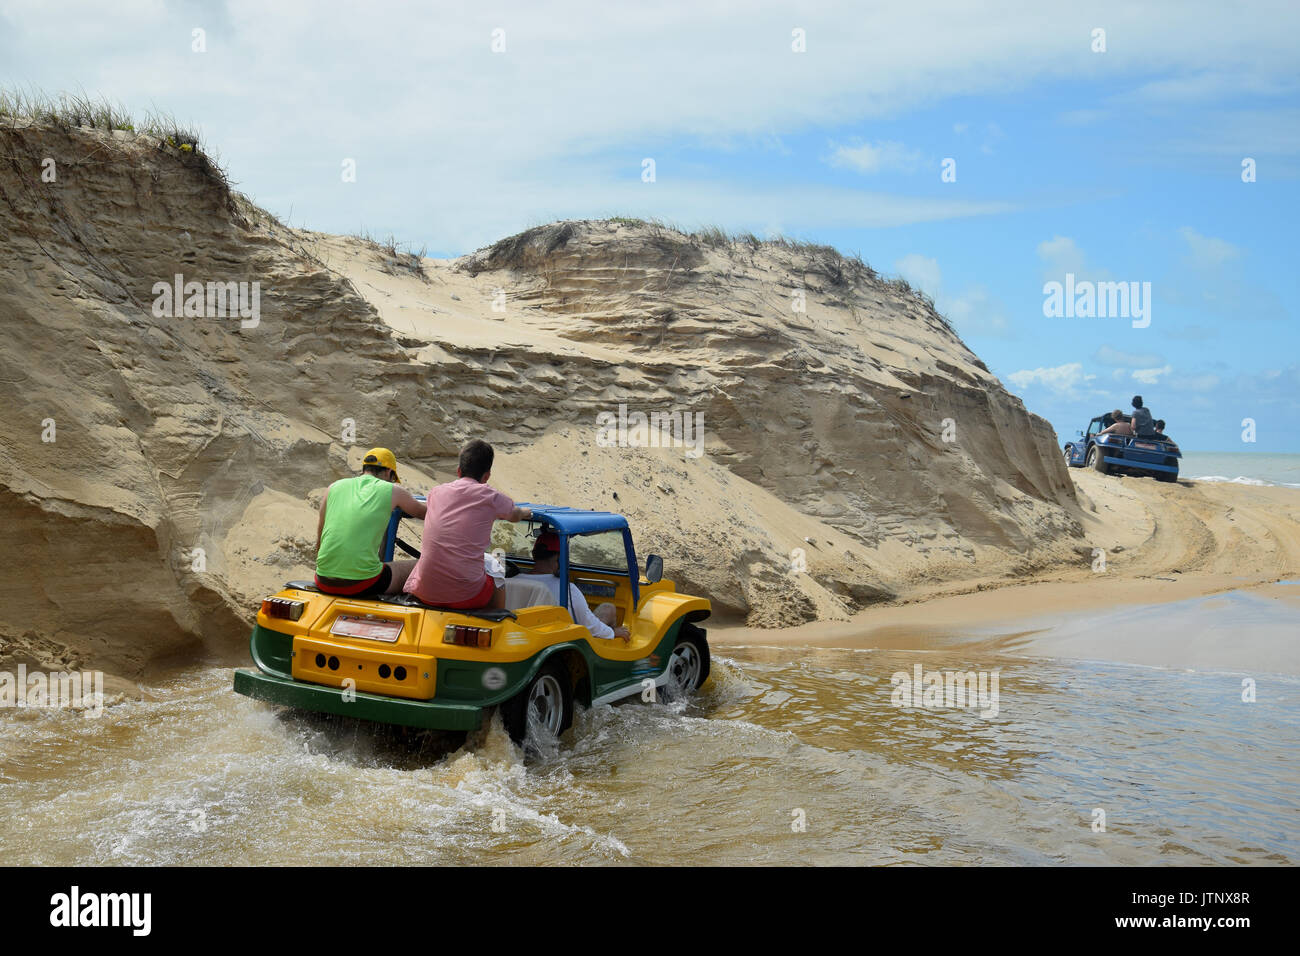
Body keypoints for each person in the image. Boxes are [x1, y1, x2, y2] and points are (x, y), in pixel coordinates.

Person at [403, 439, 531, 610]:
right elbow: (514, 515)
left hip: (424, 592)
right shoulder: (491, 497)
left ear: (458, 471)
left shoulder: (436, 492)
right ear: (486, 476)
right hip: (467, 595)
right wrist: (526, 512)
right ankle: (500, 618)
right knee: (497, 567)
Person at [315, 448, 426, 597]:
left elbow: (319, 541)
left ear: (364, 469)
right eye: (392, 478)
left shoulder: (333, 487)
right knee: (421, 565)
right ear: (388, 472)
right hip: (361, 584)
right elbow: (423, 513)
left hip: (322, 579)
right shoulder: (393, 490)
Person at [514, 532, 631, 644]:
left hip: (519, 638)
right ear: (560, 558)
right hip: (559, 641)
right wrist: (612, 632)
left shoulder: (511, 582)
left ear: (534, 555)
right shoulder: (567, 589)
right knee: (608, 608)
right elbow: (588, 624)